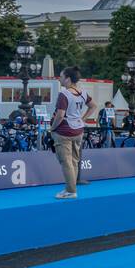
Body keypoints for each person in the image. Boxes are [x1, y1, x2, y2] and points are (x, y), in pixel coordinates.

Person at [51, 66, 94, 200]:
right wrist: (83, 119)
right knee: (74, 161)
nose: (60, 78)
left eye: (62, 76)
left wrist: (52, 128)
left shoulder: (64, 94)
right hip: (78, 130)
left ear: (68, 79)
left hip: (64, 131)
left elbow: (60, 115)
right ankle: (71, 188)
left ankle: (71, 190)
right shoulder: (82, 93)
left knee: (66, 162)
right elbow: (93, 106)